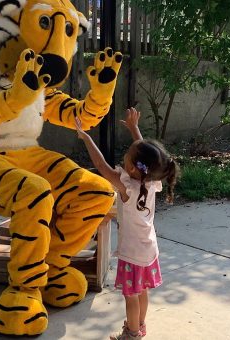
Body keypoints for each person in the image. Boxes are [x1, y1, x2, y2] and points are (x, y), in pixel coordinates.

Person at [74, 108, 180, 340]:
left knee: (131, 296)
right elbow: (147, 159)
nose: (125, 155)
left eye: (128, 155)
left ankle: (131, 334)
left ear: (133, 168)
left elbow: (102, 167)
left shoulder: (127, 187)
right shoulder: (150, 181)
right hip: (149, 250)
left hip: (132, 254)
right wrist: (134, 129)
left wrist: (86, 137)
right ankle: (139, 326)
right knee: (141, 292)